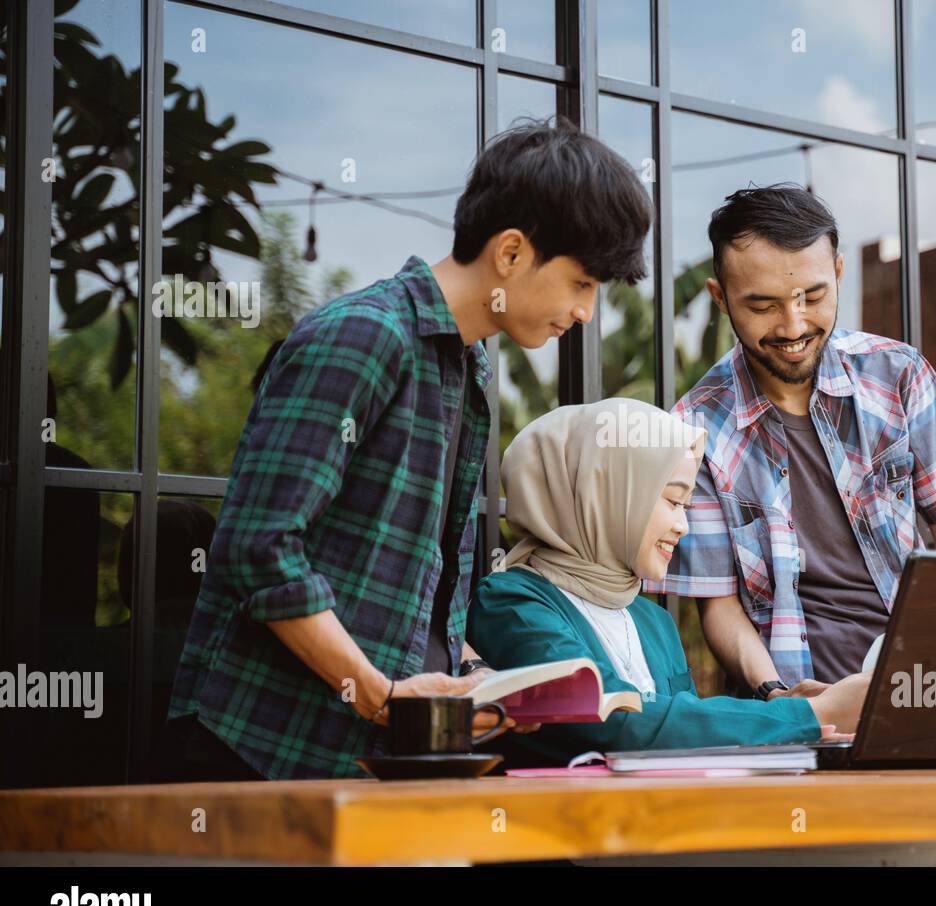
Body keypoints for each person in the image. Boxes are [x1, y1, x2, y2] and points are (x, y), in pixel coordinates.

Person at [167, 119, 654, 781]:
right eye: (582, 284)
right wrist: (379, 697)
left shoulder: (468, 366)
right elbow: (259, 547)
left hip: (372, 762)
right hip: (263, 755)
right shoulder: (364, 335)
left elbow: (419, 595)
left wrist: (478, 688)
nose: (587, 313)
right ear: (510, 254)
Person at [643, 185, 936, 701]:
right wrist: (777, 695)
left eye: (812, 297)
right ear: (720, 297)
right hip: (796, 711)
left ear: (837, 273)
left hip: (921, 685)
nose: (793, 326)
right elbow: (719, 607)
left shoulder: (898, 374)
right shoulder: (693, 428)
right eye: (763, 305)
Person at [468, 398, 871, 765]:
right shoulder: (511, 603)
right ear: (604, 494)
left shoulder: (652, 621)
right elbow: (614, 722)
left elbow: (685, 737)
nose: (682, 526)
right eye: (673, 502)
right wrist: (813, 714)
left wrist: (785, 706)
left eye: (687, 505)